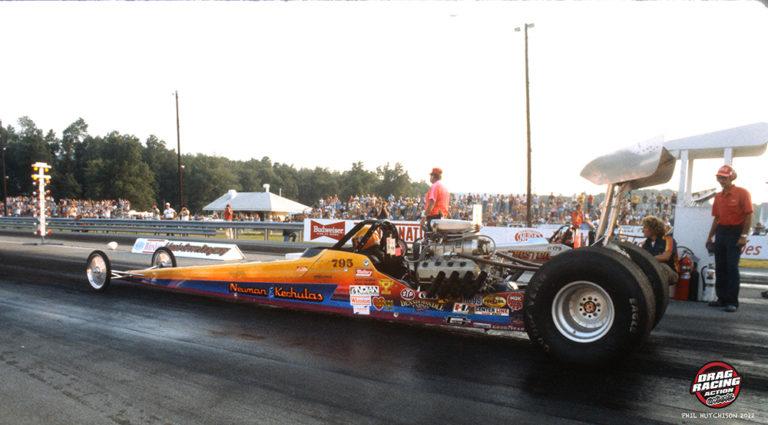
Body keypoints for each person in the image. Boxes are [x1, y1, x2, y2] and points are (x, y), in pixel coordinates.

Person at [705, 165, 753, 313]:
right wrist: (710, 237)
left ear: (731, 177)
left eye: (724, 177)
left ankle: (732, 301)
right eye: (719, 177)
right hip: (721, 231)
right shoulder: (718, 197)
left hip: (735, 232)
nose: (721, 180)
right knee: (720, 266)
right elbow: (717, 218)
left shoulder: (742, 193)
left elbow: (749, 215)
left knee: (732, 267)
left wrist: (743, 236)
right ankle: (722, 298)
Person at [641, 215, 679, 283]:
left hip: (671, 273)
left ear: (653, 229)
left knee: (661, 266)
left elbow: (665, 257)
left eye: (645, 227)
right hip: (653, 269)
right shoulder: (645, 243)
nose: (642, 230)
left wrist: (647, 258)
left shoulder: (668, 240)